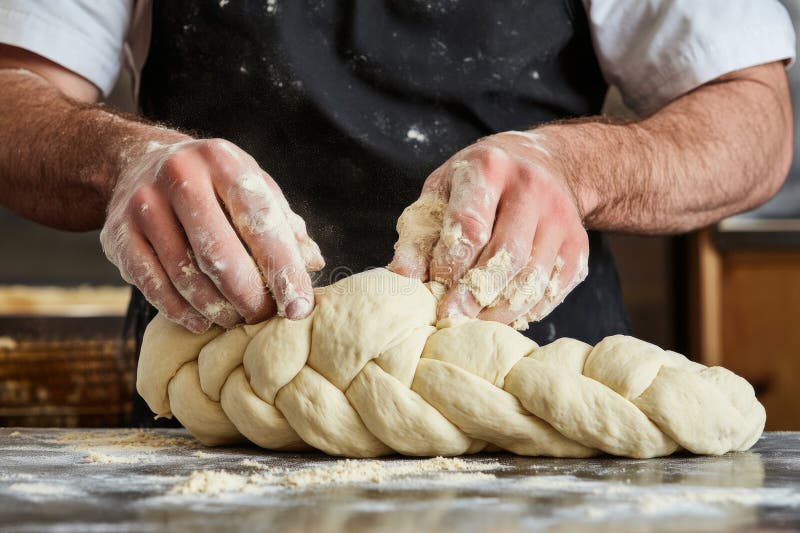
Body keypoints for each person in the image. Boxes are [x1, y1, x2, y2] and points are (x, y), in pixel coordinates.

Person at [0, 1, 795, 422]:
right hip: (225, 399)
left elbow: (751, 119)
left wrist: (579, 167)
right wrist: (120, 160)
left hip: (532, 401)